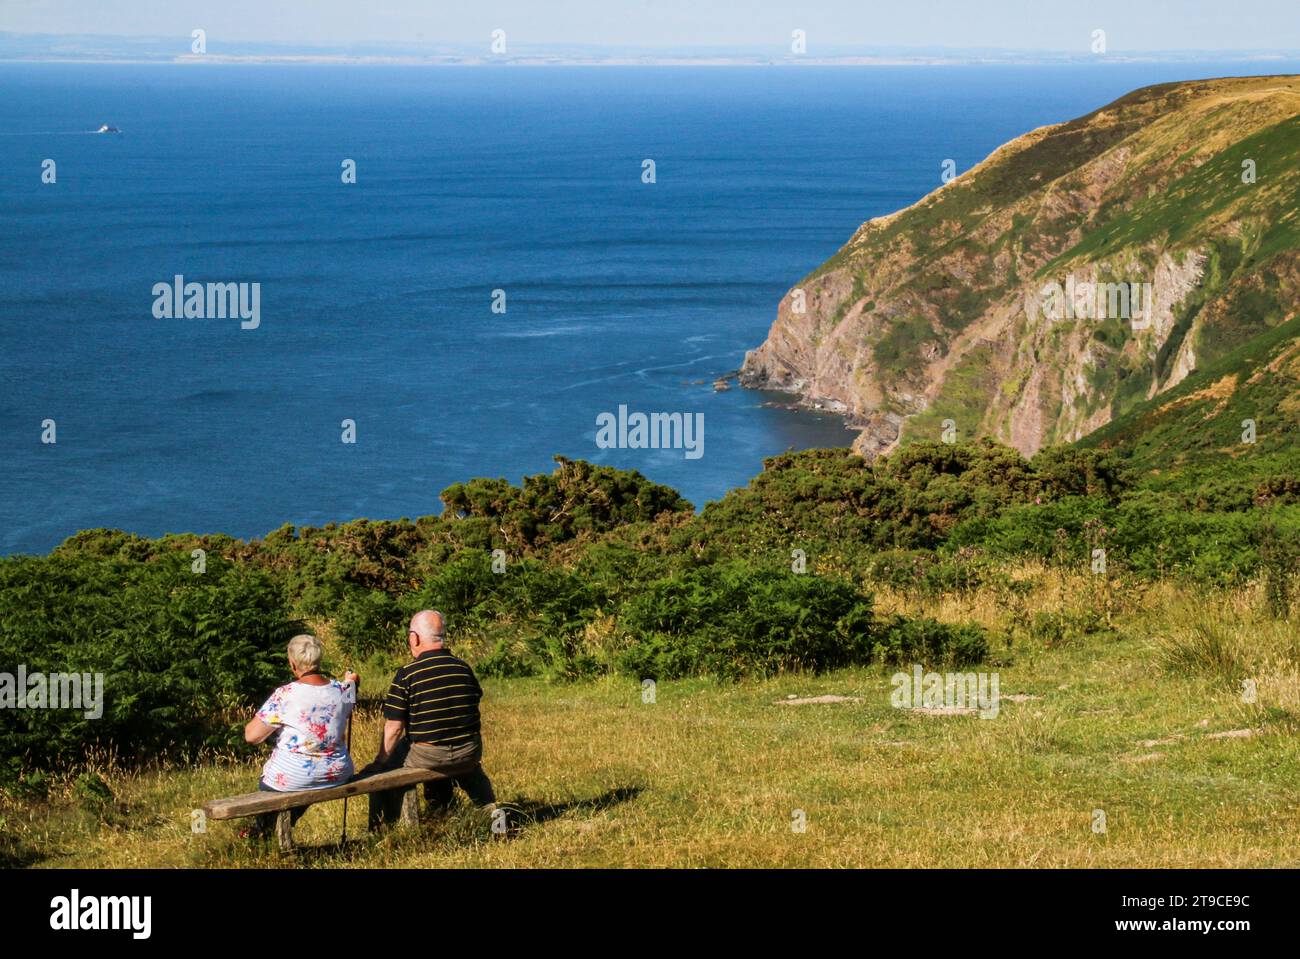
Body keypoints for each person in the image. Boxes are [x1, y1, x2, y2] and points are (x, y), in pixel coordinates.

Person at [364, 610, 496, 827]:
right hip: (469, 750)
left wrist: (380, 762)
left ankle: (382, 827)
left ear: (414, 638)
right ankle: (485, 810)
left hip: (430, 755)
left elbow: (395, 728)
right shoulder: (463, 667)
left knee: (386, 769)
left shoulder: (407, 674)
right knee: (452, 751)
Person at [242, 634, 359, 838]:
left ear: (292, 664)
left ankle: (263, 833)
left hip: (294, 776)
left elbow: (251, 736)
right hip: (338, 772)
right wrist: (352, 682)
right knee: (295, 783)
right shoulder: (341, 690)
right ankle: (267, 832)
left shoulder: (285, 694)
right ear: (318, 660)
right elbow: (349, 703)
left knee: (272, 782)